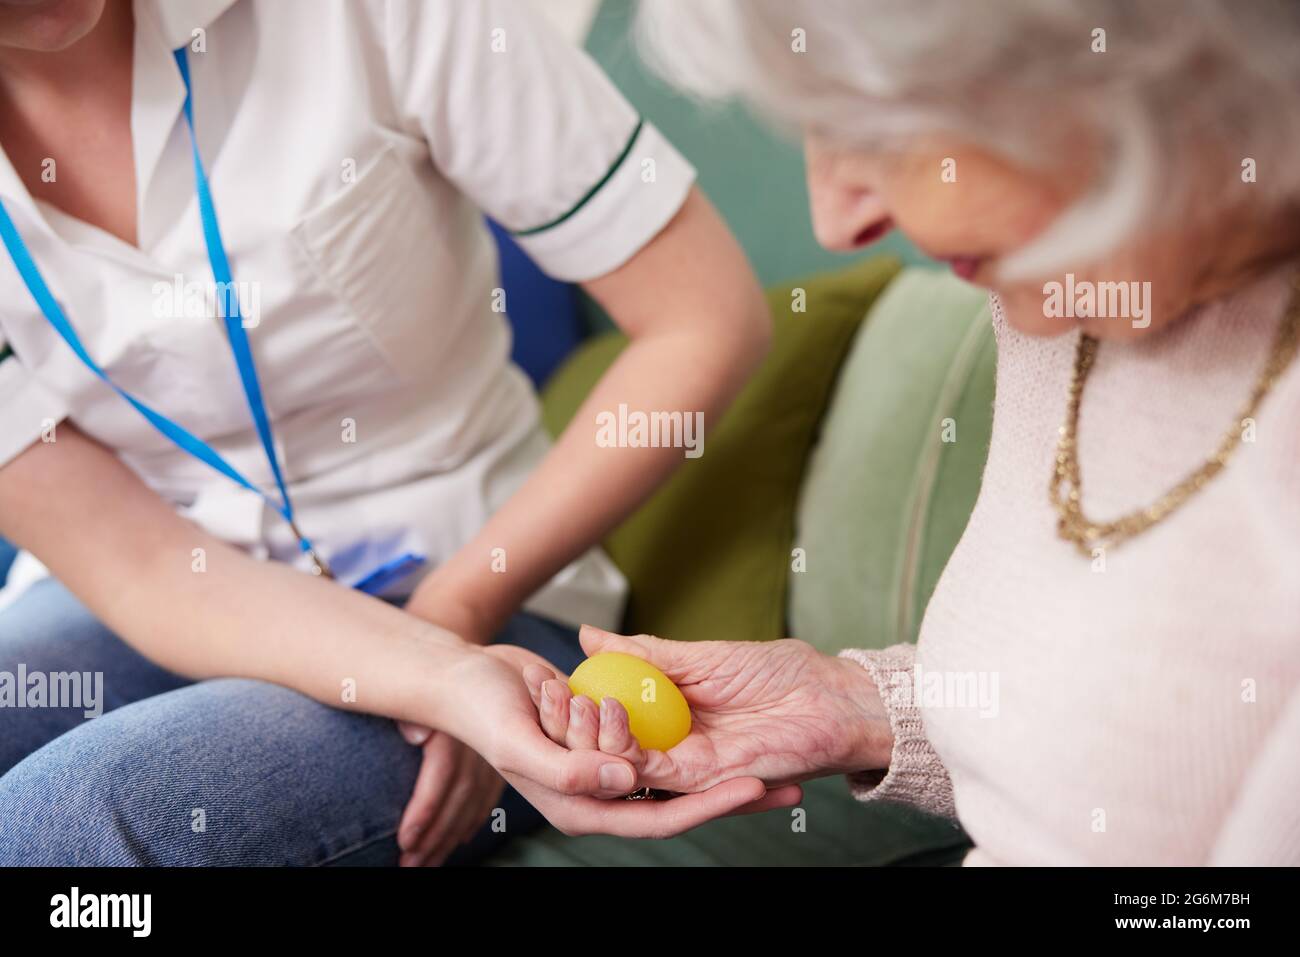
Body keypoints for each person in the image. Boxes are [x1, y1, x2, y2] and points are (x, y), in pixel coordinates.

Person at [0, 0, 795, 866]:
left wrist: (454, 625)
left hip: (466, 576)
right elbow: (145, 567)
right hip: (139, 592)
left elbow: (703, 318)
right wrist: (428, 667)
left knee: (71, 822)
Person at [535, 0, 1300, 864]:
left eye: (876, 129)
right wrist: (861, 705)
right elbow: (1125, 758)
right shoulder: (1068, 290)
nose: (837, 222)